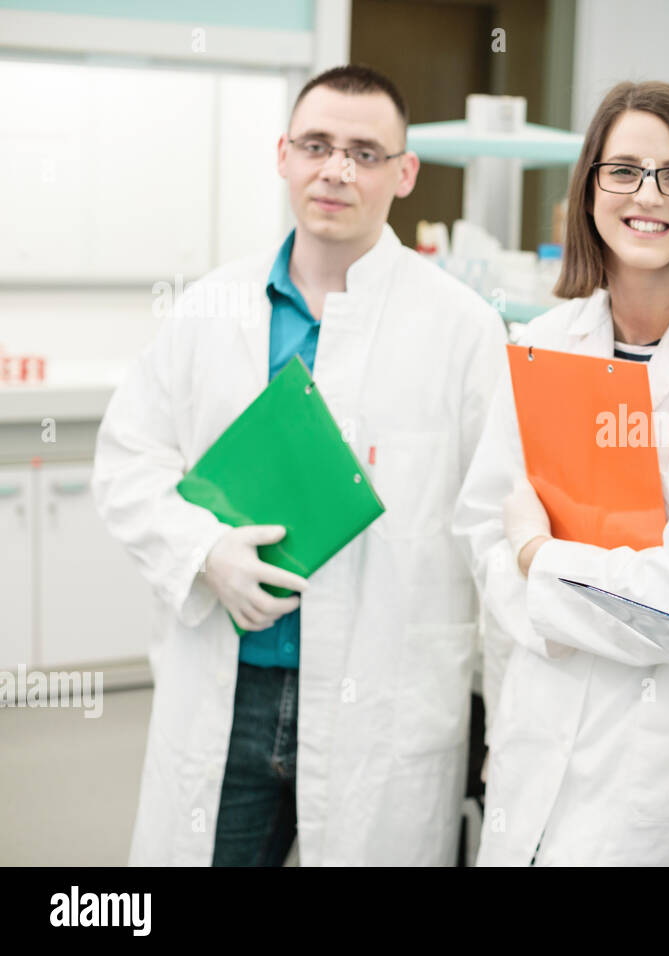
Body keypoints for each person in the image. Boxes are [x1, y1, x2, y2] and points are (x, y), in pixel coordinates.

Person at [93, 65, 505, 866]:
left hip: (382, 701)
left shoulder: (464, 330)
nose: (336, 169)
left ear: (404, 173)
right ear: (283, 154)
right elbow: (126, 464)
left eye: (364, 151)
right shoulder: (208, 310)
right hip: (231, 686)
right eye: (316, 145)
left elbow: (493, 528)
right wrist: (204, 551)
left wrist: (512, 717)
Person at [453, 81, 669, 865]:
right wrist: (549, 588)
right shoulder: (546, 341)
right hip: (534, 743)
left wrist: (540, 561)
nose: (650, 195)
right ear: (589, 187)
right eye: (625, 171)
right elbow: (483, 530)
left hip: (658, 773)